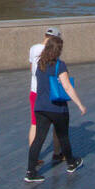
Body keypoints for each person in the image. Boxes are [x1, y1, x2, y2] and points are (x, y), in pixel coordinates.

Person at [25, 34, 87, 182]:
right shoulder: (60, 65)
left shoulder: (39, 63)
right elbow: (67, 87)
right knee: (63, 136)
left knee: (38, 140)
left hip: (40, 107)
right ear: (58, 50)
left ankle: (30, 172)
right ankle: (71, 163)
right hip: (57, 108)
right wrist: (80, 104)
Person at [28, 27, 65, 164]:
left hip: (34, 90)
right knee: (56, 123)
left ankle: (34, 156)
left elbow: (32, 68)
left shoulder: (33, 48)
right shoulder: (52, 50)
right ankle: (57, 153)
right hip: (48, 92)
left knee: (34, 124)